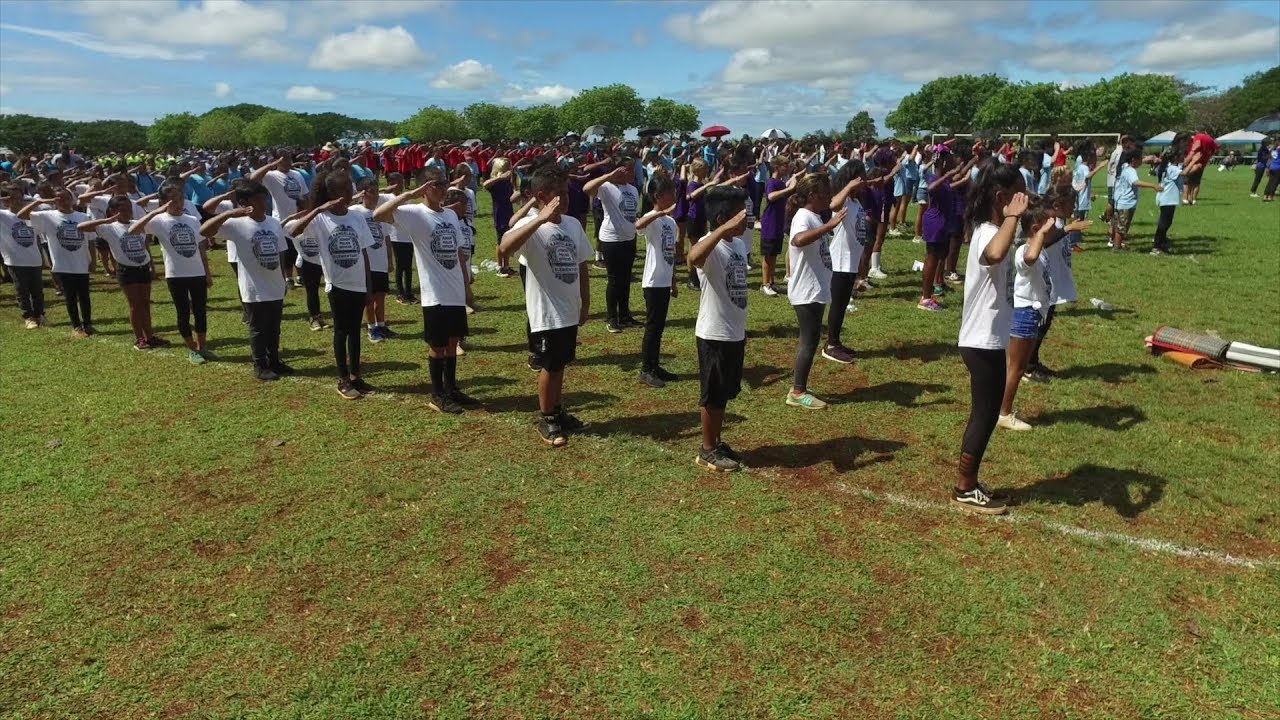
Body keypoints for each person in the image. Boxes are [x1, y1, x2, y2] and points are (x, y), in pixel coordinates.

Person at [497, 165, 592, 446]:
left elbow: (582, 264)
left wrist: (585, 302)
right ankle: (547, 417)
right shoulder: (530, 227)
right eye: (560, 194)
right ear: (541, 196)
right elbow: (504, 248)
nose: (566, 198)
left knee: (561, 363)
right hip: (546, 312)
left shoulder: (573, 224)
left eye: (566, 192)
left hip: (568, 308)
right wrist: (540, 219)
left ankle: (558, 410)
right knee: (550, 366)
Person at [954, 163, 1027, 515]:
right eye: (1019, 195)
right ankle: (964, 487)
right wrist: (1013, 218)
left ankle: (970, 481)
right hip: (981, 341)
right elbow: (995, 254)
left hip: (989, 338)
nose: (1024, 201)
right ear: (1002, 198)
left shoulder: (993, 229)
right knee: (984, 415)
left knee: (985, 413)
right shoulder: (987, 233)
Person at [374, 167, 476, 414]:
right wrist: (412, 193)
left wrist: (466, 286)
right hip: (435, 294)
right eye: (435, 185)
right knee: (437, 345)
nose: (442, 189)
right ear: (424, 188)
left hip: (454, 291)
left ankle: (451, 389)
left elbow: (459, 254)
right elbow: (379, 214)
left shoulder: (451, 216)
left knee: (453, 342)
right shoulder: (415, 213)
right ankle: (437, 394)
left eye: (443, 184)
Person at [200, 179, 291, 381]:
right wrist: (228, 214)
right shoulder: (235, 224)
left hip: (275, 284)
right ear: (244, 202)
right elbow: (204, 231)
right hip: (253, 287)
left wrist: (283, 279)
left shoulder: (273, 222)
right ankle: (260, 365)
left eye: (263, 197)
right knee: (258, 328)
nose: (263, 202)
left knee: (274, 327)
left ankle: (274, 360)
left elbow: (281, 252)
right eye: (258, 198)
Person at [689, 185, 749, 472]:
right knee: (712, 395)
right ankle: (707, 449)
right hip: (714, 332)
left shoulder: (738, 244)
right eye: (740, 215)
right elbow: (693, 258)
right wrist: (722, 231)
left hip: (734, 331)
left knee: (723, 392)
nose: (746, 219)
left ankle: (716, 439)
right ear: (723, 219)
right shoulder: (710, 244)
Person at [130, 180, 213, 362]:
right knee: (183, 312)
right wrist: (156, 212)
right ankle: (192, 349)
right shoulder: (159, 221)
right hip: (176, 274)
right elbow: (133, 230)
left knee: (200, 311)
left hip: (197, 272)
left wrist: (206, 272)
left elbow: (200, 247)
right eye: (173, 200)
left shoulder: (192, 220)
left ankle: (202, 346)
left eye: (181, 198)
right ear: (164, 202)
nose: (179, 203)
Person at [998, 200, 1059, 433]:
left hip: (1031, 314)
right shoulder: (1025, 250)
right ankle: (1003, 413)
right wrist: (1043, 232)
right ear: (1036, 230)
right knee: (1015, 368)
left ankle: (1002, 408)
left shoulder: (1038, 248)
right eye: (1048, 226)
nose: (1052, 228)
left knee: (1017, 367)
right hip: (1024, 315)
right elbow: (1030, 260)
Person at [786, 174, 844, 410]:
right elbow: (798, 241)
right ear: (812, 195)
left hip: (815, 288)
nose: (829, 196)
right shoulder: (804, 217)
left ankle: (800, 388)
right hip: (806, 290)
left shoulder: (813, 216)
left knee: (810, 340)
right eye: (825, 192)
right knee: (808, 342)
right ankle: (797, 392)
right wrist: (829, 226)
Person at [18, 185, 93, 336]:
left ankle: (88, 324)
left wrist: (92, 260)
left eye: (66, 198)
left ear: (72, 199)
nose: (64, 202)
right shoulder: (47, 216)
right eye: (59, 199)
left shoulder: (82, 217)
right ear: (54, 201)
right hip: (63, 265)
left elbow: (90, 240)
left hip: (81, 263)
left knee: (85, 296)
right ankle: (76, 326)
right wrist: (38, 202)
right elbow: (21, 215)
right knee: (70, 297)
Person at [584, 158, 640, 333]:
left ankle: (624, 315)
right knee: (615, 280)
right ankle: (611, 318)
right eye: (629, 169)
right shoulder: (607, 187)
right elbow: (586, 189)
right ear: (619, 171)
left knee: (625, 279)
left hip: (629, 238)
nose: (633, 173)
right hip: (612, 240)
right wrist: (608, 175)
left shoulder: (633, 189)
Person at [634, 174, 679, 389]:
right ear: (658, 196)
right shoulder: (653, 218)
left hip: (664, 281)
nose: (674, 196)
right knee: (652, 327)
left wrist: (674, 280)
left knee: (659, 326)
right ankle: (646, 369)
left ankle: (654, 365)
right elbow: (638, 225)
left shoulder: (670, 222)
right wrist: (659, 212)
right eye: (670, 192)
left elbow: (670, 251)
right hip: (652, 282)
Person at [824, 160, 866, 362]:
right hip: (840, 260)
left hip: (851, 260)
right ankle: (830, 344)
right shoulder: (845, 200)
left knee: (842, 304)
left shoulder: (856, 202)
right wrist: (848, 186)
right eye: (860, 178)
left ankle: (836, 341)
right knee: (838, 304)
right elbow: (833, 204)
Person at [251, 152, 308, 287]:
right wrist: (271, 165)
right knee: (286, 250)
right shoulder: (271, 176)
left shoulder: (297, 174)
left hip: (298, 217)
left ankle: (300, 275)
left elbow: (305, 195)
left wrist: (306, 210)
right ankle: (288, 277)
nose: (289, 162)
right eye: (285, 160)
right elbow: (253, 178)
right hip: (281, 218)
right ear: (277, 161)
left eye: (289, 159)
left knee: (299, 247)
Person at [352, 177, 395, 341]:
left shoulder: (380, 212)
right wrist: (355, 197)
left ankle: (382, 325)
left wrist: (390, 260)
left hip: (381, 260)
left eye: (377, 191)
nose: (376, 195)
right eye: (371, 192)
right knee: (369, 298)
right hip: (366, 262)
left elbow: (386, 237)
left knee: (381, 296)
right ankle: (371, 328)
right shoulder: (356, 211)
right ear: (363, 193)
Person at [0, 184, 47, 328]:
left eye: (20, 198)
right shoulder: (2, 215)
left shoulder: (32, 215)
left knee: (37, 290)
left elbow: (38, 236)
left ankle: (40, 314)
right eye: (13, 198)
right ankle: (28, 317)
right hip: (15, 260)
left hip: (34, 259)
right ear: (6, 200)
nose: (18, 201)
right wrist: (3, 198)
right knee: (22, 290)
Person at [1152, 136, 1204, 256]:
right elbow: (1184, 173)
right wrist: (1194, 161)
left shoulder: (1172, 166)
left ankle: (1162, 243)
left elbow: (1184, 170)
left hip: (1169, 199)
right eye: (1181, 156)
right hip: (1166, 199)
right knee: (1163, 223)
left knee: (1167, 222)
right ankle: (1156, 245)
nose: (1183, 158)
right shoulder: (1171, 168)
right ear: (1175, 157)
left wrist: (1193, 160)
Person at [758, 156, 795, 296]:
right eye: (785, 165)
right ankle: (765, 283)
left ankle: (772, 282)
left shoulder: (780, 182)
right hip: (770, 223)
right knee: (768, 256)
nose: (787, 168)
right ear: (777, 167)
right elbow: (771, 196)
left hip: (779, 223)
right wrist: (789, 189)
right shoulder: (772, 182)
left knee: (774, 255)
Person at [1110, 149, 1160, 251]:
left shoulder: (1124, 167)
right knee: (1122, 227)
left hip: (1120, 201)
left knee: (1118, 225)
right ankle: (1117, 247)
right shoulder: (1131, 171)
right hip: (1126, 203)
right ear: (1133, 160)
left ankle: (1117, 244)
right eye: (1140, 159)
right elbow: (1135, 182)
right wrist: (1153, 185)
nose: (1141, 161)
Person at [483, 158, 518, 278]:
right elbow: (485, 184)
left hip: (509, 213)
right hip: (500, 214)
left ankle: (506, 266)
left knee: (507, 240)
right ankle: (499, 266)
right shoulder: (496, 183)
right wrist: (500, 177)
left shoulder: (508, 182)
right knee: (500, 241)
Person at [1181, 130, 1217, 205]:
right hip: (1202, 164)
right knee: (1196, 183)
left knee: (1186, 181)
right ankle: (1193, 200)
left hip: (1194, 162)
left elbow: (1196, 147)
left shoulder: (1198, 137)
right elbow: (1214, 150)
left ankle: (1185, 199)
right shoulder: (1210, 140)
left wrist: (1186, 161)